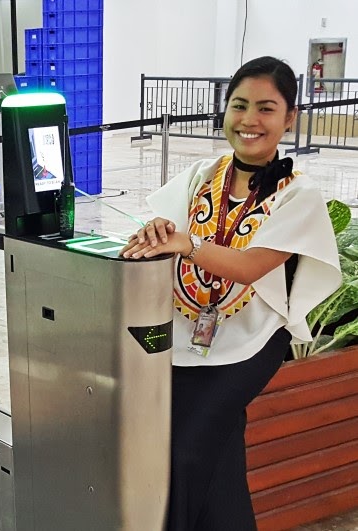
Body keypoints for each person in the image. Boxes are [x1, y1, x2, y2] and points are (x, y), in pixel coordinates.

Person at [120, 56, 341, 530]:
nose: (250, 120)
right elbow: (171, 232)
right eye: (239, 106)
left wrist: (188, 243)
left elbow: (250, 265)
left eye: (266, 108)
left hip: (254, 341)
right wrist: (159, 231)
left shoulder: (297, 195)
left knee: (183, 453)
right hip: (184, 337)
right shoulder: (203, 174)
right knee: (216, 458)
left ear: (290, 117)